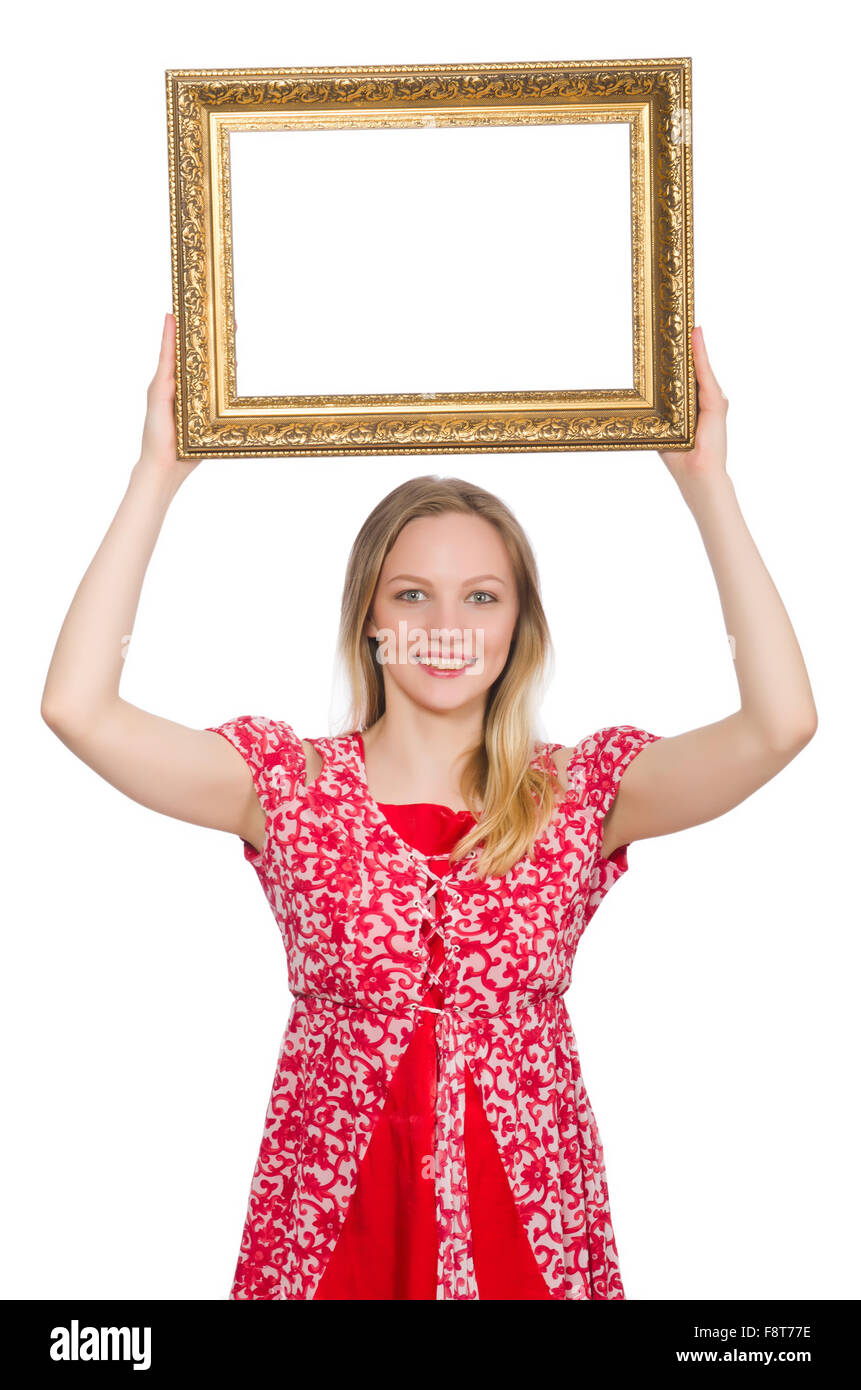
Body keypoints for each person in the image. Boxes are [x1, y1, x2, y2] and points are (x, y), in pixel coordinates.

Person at [41, 313, 817, 1301]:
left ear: (519, 624)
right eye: (412, 595)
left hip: (528, 1234)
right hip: (335, 1235)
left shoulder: (574, 796)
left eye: (481, 597)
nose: (446, 627)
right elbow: (76, 706)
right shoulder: (288, 787)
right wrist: (159, 470)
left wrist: (709, 487)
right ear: (369, 616)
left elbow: (781, 724)